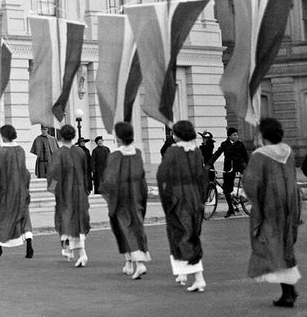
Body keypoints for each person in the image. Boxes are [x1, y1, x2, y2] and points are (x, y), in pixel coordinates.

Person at [245, 117, 301, 308]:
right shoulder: (288, 152)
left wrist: (251, 199)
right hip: (288, 207)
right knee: (284, 248)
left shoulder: (259, 155)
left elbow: (252, 184)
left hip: (269, 209)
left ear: (263, 135)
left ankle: (288, 293)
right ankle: (288, 291)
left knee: (272, 248)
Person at [157, 119, 207, 292]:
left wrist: (165, 195)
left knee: (179, 233)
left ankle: (197, 276)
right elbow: (201, 175)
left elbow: (162, 174)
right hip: (195, 195)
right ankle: (184, 273)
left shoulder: (173, 151)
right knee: (192, 233)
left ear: (177, 135)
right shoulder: (196, 151)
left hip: (178, 196)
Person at [100, 121, 151, 280]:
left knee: (125, 229)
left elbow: (109, 179)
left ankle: (139, 264)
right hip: (136, 196)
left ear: (118, 137)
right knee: (135, 228)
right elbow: (141, 176)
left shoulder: (115, 156)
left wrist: (107, 194)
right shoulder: (137, 153)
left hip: (120, 199)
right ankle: (129, 263)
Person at [0, 124, 33, 258]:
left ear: (4, 136)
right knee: (23, 215)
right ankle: (29, 246)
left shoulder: (2, 151)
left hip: (6, 189)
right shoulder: (20, 150)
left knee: (0, 216)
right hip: (21, 187)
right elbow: (24, 169)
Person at [48, 124, 91, 267]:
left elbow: (54, 173)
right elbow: (85, 172)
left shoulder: (59, 153)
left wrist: (53, 188)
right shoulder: (80, 152)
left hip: (65, 192)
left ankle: (81, 253)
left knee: (67, 221)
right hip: (79, 191)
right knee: (77, 220)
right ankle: (68, 249)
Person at [210, 126, 250, 217]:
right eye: (234, 135)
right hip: (229, 168)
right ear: (229, 136)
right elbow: (217, 154)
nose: (236, 136)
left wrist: (248, 166)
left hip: (239, 166)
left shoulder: (240, 144)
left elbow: (245, 156)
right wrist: (209, 164)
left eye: (237, 135)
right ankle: (231, 209)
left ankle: (246, 196)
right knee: (226, 189)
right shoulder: (225, 144)